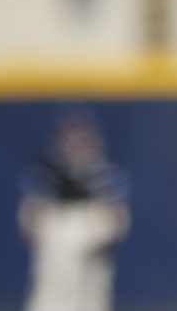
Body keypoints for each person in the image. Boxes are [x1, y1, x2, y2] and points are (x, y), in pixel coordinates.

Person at [18, 107, 131, 311]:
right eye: (71, 135)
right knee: (53, 283)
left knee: (94, 290)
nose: (77, 142)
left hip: (93, 225)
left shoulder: (105, 166)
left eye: (83, 135)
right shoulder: (47, 167)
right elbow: (32, 207)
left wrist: (113, 228)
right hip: (58, 229)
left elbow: (117, 210)